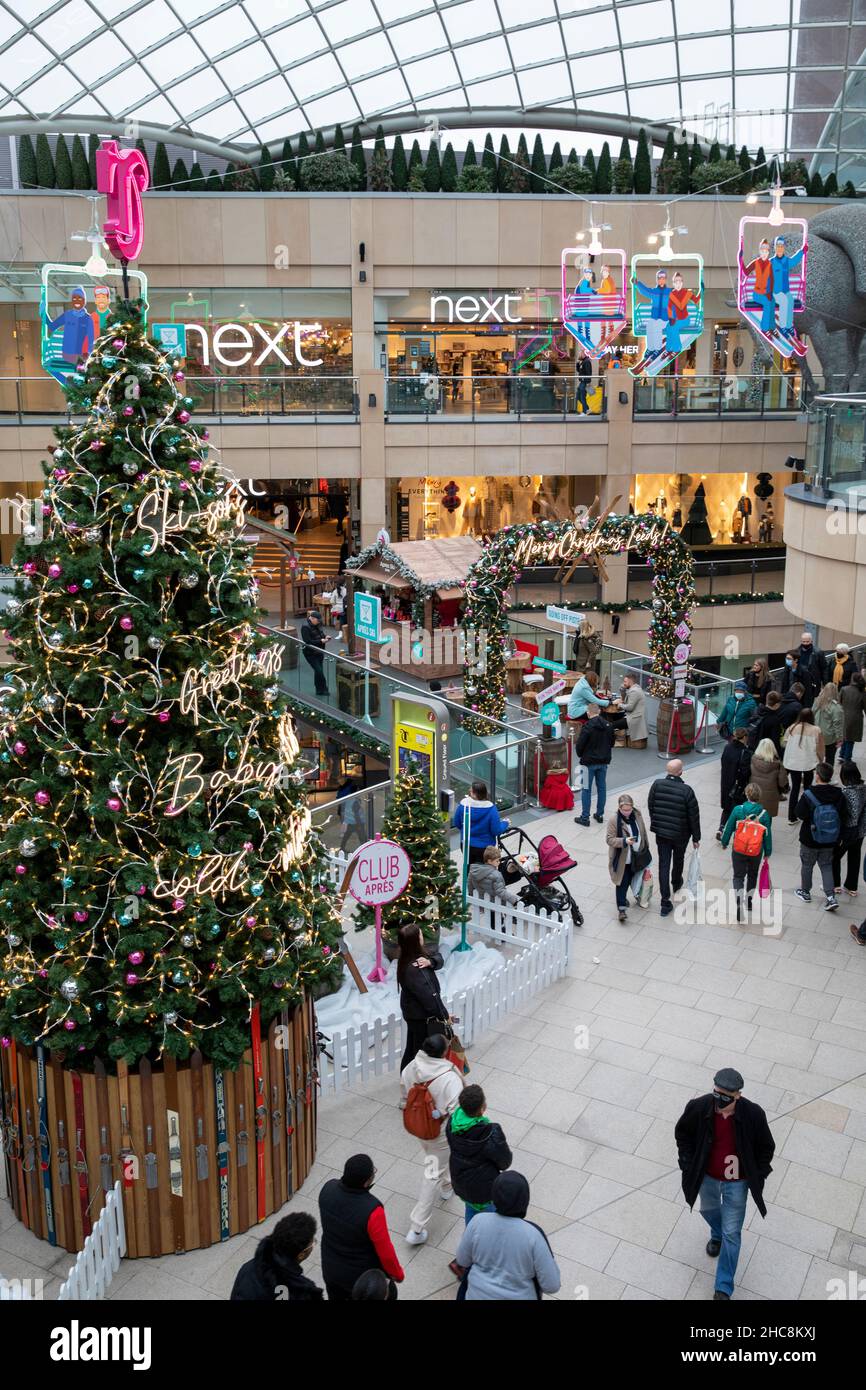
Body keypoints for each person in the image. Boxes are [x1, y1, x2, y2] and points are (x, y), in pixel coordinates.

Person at [674, 1067, 775, 1302]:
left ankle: (723, 1287)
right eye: (716, 1093)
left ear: (737, 1096)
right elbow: (682, 1134)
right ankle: (716, 1233)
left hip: (737, 1183)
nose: (719, 1101)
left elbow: (766, 1147)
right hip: (707, 1176)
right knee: (707, 1211)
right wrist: (687, 1163)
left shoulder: (753, 1114)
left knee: (733, 1233)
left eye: (726, 1097)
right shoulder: (699, 1107)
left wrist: (758, 1174)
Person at [452, 1171, 561, 1301]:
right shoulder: (533, 1235)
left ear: (494, 1197)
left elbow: (462, 1260)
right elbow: (552, 1285)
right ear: (525, 1200)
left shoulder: (477, 1222)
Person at [401, 1034, 463, 1247]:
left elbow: (404, 1093)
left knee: (433, 1158)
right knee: (431, 1172)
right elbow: (456, 1109)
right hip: (440, 1132)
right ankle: (416, 1227)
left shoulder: (411, 1067)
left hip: (418, 1127)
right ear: (444, 1052)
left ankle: (447, 1187)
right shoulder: (449, 1076)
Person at [318, 1155, 404, 1302]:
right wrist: (397, 1274)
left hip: (331, 1268)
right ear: (366, 1182)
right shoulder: (372, 1210)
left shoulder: (327, 1188)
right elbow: (385, 1251)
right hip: (362, 1279)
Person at [446, 1084, 512, 1226]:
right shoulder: (490, 1133)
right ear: (482, 1108)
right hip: (484, 1189)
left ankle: (470, 1239)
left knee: (471, 1210)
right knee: (493, 1222)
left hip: (461, 1183)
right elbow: (505, 1162)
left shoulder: (452, 1123)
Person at [647, 759, 701, 917]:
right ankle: (676, 883)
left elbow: (651, 806)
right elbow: (693, 816)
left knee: (663, 864)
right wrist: (696, 837)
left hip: (662, 833)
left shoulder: (657, 785)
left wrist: (657, 823)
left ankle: (665, 901)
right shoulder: (687, 790)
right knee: (678, 859)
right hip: (680, 834)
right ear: (680, 772)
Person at [230, 1212, 323, 1301]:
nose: (313, 1244)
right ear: (301, 1255)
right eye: (312, 1242)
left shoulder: (248, 1268)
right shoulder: (301, 1291)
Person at [397, 924, 450, 1071]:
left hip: (412, 1013)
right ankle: (411, 1079)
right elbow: (429, 998)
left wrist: (431, 962)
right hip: (421, 1018)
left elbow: (438, 957)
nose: (422, 937)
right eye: (420, 935)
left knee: (412, 1048)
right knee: (418, 1052)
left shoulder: (409, 958)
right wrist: (444, 1016)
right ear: (415, 940)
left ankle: (406, 1077)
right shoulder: (416, 970)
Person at [795, 760, 845, 911]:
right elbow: (843, 815)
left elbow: (799, 813)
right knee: (826, 866)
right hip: (830, 839)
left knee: (807, 865)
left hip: (810, 838)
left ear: (817, 776)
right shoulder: (838, 794)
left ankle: (805, 892)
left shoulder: (809, 794)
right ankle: (830, 897)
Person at [720, 782, 772, 922]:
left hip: (738, 849)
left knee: (738, 876)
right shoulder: (765, 815)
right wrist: (768, 851)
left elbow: (729, 828)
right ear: (759, 796)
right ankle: (749, 901)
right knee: (752, 875)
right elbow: (767, 835)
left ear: (747, 794)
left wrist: (724, 842)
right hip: (756, 851)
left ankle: (738, 901)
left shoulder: (738, 810)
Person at [574, 707, 627, 827]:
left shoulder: (587, 726)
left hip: (588, 763)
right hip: (603, 762)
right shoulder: (608, 725)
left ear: (588, 713)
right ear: (599, 712)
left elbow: (580, 745)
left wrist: (581, 755)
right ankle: (599, 814)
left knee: (586, 789)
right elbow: (612, 743)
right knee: (601, 788)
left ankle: (585, 817)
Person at [606, 792, 650, 923]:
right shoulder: (614, 820)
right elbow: (609, 839)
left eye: (629, 809)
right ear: (619, 808)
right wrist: (624, 841)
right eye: (624, 810)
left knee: (635, 879)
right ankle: (621, 909)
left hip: (637, 856)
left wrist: (645, 846)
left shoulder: (637, 814)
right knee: (622, 882)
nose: (627, 812)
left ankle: (635, 897)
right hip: (622, 859)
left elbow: (643, 832)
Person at [451, 780, 509, 865]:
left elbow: (457, 823)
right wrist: (505, 823)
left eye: (470, 790)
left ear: (474, 794)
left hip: (467, 844)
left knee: (469, 867)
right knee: (484, 871)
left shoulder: (463, 805)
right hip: (485, 848)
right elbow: (495, 830)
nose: (469, 791)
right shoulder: (491, 809)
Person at [783, 708, 825, 824]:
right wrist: (821, 760)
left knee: (795, 788)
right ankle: (806, 813)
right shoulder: (816, 730)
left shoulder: (791, 728)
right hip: (809, 763)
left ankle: (791, 817)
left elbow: (784, 743)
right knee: (808, 788)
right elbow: (820, 748)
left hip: (793, 763)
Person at [833, 761, 866, 899]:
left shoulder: (846, 792)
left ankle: (835, 885)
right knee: (855, 856)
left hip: (848, 831)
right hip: (861, 830)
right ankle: (851, 887)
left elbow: (845, 815)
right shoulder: (864, 788)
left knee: (834, 857)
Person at [717, 727, 752, 836]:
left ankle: (721, 828)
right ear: (745, 737)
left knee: (727, 807)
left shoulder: (727, 747)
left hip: (726, 782)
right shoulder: (745, 752)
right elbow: (745, 772)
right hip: (738, 785)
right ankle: (734, 832)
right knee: (738, 808)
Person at [633, 267, 671, 363]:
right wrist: (637, 283)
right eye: (659, 278)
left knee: (657, 325)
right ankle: (650, 348)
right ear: (657, 280)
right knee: (650, 325)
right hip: (655, 318)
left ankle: (657, 348)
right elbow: (644, 291)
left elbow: (679, 296)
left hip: (665, 319)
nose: (661, 280)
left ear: (666, 279)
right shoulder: (654, 291)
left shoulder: (669, 292)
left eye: (663, 278)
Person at [772, 233, 806, 337]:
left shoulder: (786, 261)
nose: (780, 249)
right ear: (775, 248)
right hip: (776, 292)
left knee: (790, 300)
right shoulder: (771, 262)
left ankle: (788, 325)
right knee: (784, 301)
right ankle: (783, 327)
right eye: (778, 246)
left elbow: (794, 260)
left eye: (782, 246)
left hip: (786, 291)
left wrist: (802, 251)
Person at [741, 238, 775, 333]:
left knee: (772, 301)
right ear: (760, 251)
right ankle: (764, 328)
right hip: (757, 293)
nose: (764, 253)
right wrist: (740, 260)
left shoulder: (770, 264)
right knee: (768, 303)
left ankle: (772, 326)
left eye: (766, 251)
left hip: (766, 292)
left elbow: (772, 279)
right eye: (763, 251)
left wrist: (769, 292)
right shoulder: (756, 263)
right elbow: (746, 272)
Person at [749, 736, 788, 820]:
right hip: (771, 797)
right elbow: (782, 783)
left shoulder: (752, 759)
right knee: (767, 821)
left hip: (754, 794)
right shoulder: (777, 764)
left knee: (753, 819)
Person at [665, 270, 701, 354]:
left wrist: (701, 291)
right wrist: (670, 318)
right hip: (676, 319)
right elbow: (669, 307)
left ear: (682, 282)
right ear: (673, 283)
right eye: (676, 281)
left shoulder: (687, 293)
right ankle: (669, 348)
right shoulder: (672, 294)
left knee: (674, 328)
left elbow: (695, 300)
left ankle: (677, 348)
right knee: (668, 327)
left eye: (680, 281)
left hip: (685, 319)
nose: (678, 283)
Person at [813, 682, 844, 766]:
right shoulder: (836, 707)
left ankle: (819, 774)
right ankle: (827, 775)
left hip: (816, 735)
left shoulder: (817, 702)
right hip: (829, 738)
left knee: (818, 758)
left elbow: (811, 714)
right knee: (829, 759)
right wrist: (839, 738)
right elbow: (837, 724)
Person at [300, 607, 329, 696]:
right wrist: (321, 641)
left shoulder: (317, 624)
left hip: (319, 651)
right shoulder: (305, 627)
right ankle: (324, 688)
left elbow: (321, 634)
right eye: (317, 620)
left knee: (318, 671)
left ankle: (319, 690)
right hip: (310, 653)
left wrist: (325, 637)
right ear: (312, 618)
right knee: (319, 670)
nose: (319, 622)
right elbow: (307, 641)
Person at [747, 689, 785, 755]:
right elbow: (775, 740)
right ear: (776, 704)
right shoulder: (774, 720)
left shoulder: (757, 710)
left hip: (752, 745)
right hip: (764, 750)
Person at [793, 633, 827, 705]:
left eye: (807, 642)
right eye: (803, 642)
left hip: (813, 682)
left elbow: (824, 668)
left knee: (810, 702)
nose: (805, 643)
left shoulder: (818, 652)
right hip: (799, 680)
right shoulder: (796, 652)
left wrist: (824, 684)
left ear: (811, 641)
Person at [840, 671, 866, 762]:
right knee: (851, 739)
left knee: (845, 736)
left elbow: (839, 702)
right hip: (856, 718)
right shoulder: (862, 692)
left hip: (844, 716)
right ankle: (847, 758)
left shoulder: (844, 689)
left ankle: (841, 755)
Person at [336, 776, 365, 854]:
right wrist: (359, 823)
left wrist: (345, 820)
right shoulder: (355, 801)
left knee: (347, 835)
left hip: (349, 822)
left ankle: (342, 848)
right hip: (356, 822)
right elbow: (356, 814)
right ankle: (365, 848)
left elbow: (344, 809)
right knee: (362, 836)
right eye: (358, 790)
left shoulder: (348, 799)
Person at [619, 672, 648, 747]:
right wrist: (623, 691)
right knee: (616, 718)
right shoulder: (635, 688)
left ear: (630, 681)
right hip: (633, 715)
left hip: (634, 718)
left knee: (612, 725)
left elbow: (629, 707)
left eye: (625, 681)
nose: (623, 683)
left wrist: (620, 705)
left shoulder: (634, 691)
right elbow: (626, 701)